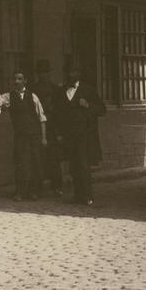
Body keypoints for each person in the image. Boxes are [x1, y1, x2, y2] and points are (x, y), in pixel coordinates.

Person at [56, 60, 106, 206]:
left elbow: (102, 109)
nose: (71, 75)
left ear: (79, 74)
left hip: (84, 135)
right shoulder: (61, 91)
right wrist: (59, 133)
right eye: (69, 72)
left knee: (84, 165)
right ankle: (78, 195)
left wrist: (88, 105)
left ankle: (87, 196)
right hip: (69, 135)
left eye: (74, 72)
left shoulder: (88, 90)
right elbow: (58, 115)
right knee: (73, 166)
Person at [2, 71, 47, 201]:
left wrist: (44, 138)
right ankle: (20, 192)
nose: (17, 81)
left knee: (35, 162)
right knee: (21, 162)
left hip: (34, 135)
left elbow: (42, 118)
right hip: (20, 136)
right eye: (15, 79)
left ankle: (34, 191)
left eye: (20, 79)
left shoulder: (33, 96)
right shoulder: (8, 97)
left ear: (25, 81)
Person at [32, 59, 63, 196]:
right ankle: (37, 188)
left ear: (49, 73)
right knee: (37, 158)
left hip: (52, 127)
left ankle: (57, 186)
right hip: (36, 127)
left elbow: (60, 112)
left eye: (45, 72)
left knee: (53, 158)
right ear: (38, 74)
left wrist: (59, 131)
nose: (43, 75)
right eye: (41, 73)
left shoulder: (56, 90)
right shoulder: (33, 90)